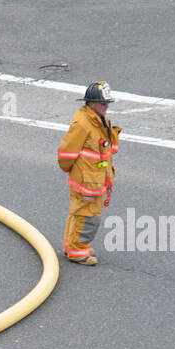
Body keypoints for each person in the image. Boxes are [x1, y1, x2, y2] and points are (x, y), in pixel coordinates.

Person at [57, 82, 121, 265]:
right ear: (91, 103)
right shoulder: (83, 124)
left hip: (94, 180)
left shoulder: (99, 120)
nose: (107, 106)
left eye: (107, 103)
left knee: (78, 213)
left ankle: (73, 245)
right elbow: (65, 154)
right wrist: (76, 172)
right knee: (88, 216)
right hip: (87, 183)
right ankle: (78, 251)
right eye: (103, 103)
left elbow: (108, 149)